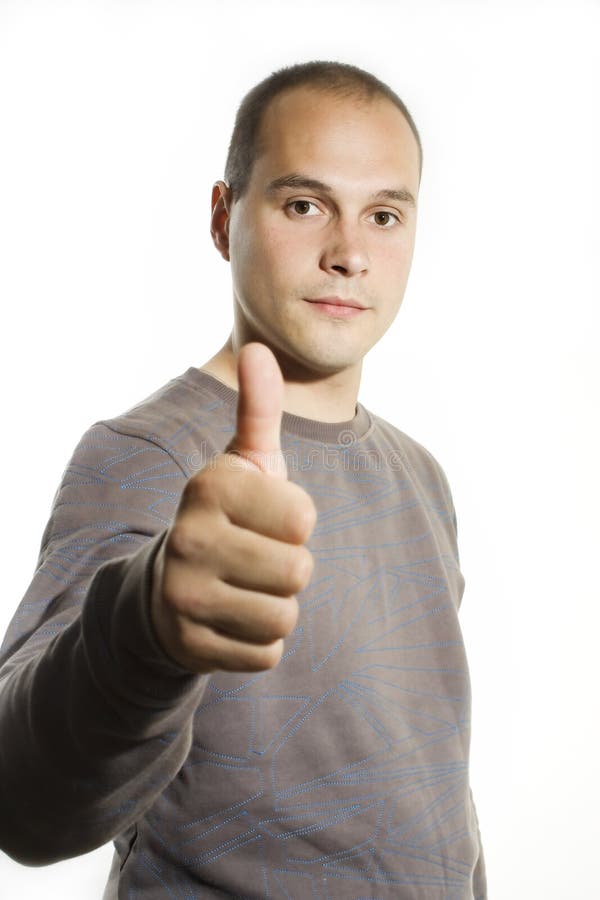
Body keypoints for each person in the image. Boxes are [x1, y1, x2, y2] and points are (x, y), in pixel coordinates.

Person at [0, 61, 486, 898]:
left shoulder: (420, 476)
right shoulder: (149, 455)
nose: (349, 254)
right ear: (225, 220)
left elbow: (429, 804)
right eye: (304, 205)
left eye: (384, 214)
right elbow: (23, 800)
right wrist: (144, 630)